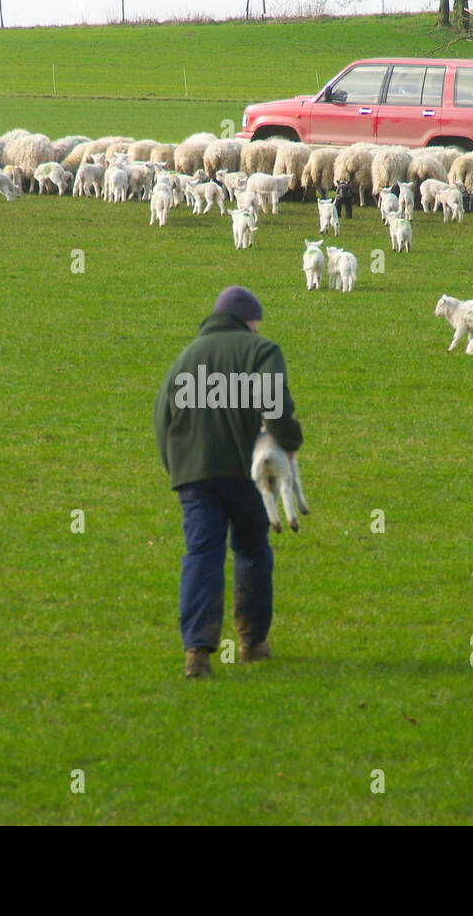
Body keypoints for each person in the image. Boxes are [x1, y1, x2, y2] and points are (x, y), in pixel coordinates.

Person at [153, 286, 303, 678]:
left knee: (202, 554)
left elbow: (161, 418)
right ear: (249, 320)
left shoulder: (185, 358)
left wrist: (176, 469)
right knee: (252, 549)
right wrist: (289, 442)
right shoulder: (261, 350)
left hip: (193, 476)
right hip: (245, 473)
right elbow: (277, 406)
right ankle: (253, 642)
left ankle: (196, 654)